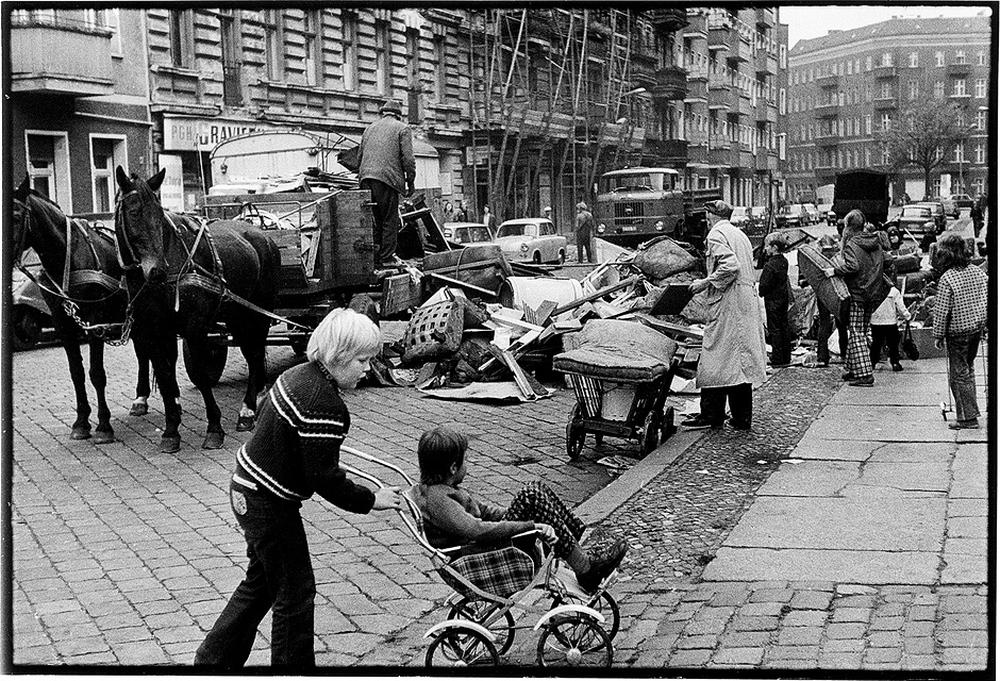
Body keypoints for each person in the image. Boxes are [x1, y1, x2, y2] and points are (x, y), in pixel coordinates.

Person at [194, 309, 402, 670]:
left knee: (262, 582)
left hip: (245, 487)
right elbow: (325, 478)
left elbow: (269, 422)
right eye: (363, 360)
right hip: (268, 502)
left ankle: (213, 661)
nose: (369, 368)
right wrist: (371, 499)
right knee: (296, 591)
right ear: (337, 356)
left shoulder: (296, 376)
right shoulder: (326, 404)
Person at [411, 426, 628, 593]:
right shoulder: (439, 500)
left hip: (483, 545)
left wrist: (517, 513)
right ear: (452, 468)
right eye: (466, 460)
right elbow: (475, 529)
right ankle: (586, 569)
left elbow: (483, 511)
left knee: (535, 491)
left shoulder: (441, 489)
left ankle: (578, 551)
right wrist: (530, 525)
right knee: (532, 494)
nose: (469, 463)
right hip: (482, 552)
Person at [681, 200, 768, 431]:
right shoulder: (740, 235)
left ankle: (712, 415)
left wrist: (705, 283)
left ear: (711, 216)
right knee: (740, 363)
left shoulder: (716, 234)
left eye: (707, 215)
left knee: (714, 359)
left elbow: (730, 267)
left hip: (729, 302)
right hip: (745, 301)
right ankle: (741, 418)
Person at [822, 209, 889, 387]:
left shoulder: (852, 243)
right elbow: (887, 262)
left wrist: (834, 271)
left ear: (848, 227)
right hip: (873, 292)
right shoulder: (874, 241)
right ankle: (852, 369)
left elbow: (853, 266)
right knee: (860, 329)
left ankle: (865, 374)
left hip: (858, 293)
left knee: (857, 333)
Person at [931, 233, 988, 429]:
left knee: (959, 374)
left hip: (958, 332)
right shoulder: (977, 272)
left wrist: (938, 334)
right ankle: (971, 411)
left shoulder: (948, 278)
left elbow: (942, 310)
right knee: (968, 369)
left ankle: (968, 418)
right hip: (975, 329)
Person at [358, 98, 416, 267]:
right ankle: (387, 257)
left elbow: (359, 157)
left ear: (382, 113)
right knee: (389, 220)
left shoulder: (369, 128)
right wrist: (410, 182)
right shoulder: (402, 128)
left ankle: (374, 258)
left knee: (374, 220)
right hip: (387, 179)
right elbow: (408, 160)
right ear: (398, 115)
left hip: (366, 178)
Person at [758, 232, 792, 367]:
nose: (766, 249)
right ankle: (786, 356)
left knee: (775, 329)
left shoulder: (770, 265)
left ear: (774, 247)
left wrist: (761, 292)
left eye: (767, 246)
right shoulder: (784, 261)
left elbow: (764, 285)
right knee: (784, 326)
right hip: (783, 297)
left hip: (772, 300)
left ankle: (777, 358)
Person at [869, 283, 911, 372]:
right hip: (890, 322)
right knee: (893, 344)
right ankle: (895, 363)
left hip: (875, 321)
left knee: (876, 343)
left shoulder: (873, 289)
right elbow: (900, 307)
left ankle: (872, 362)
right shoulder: (894, 291)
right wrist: (907, 315)